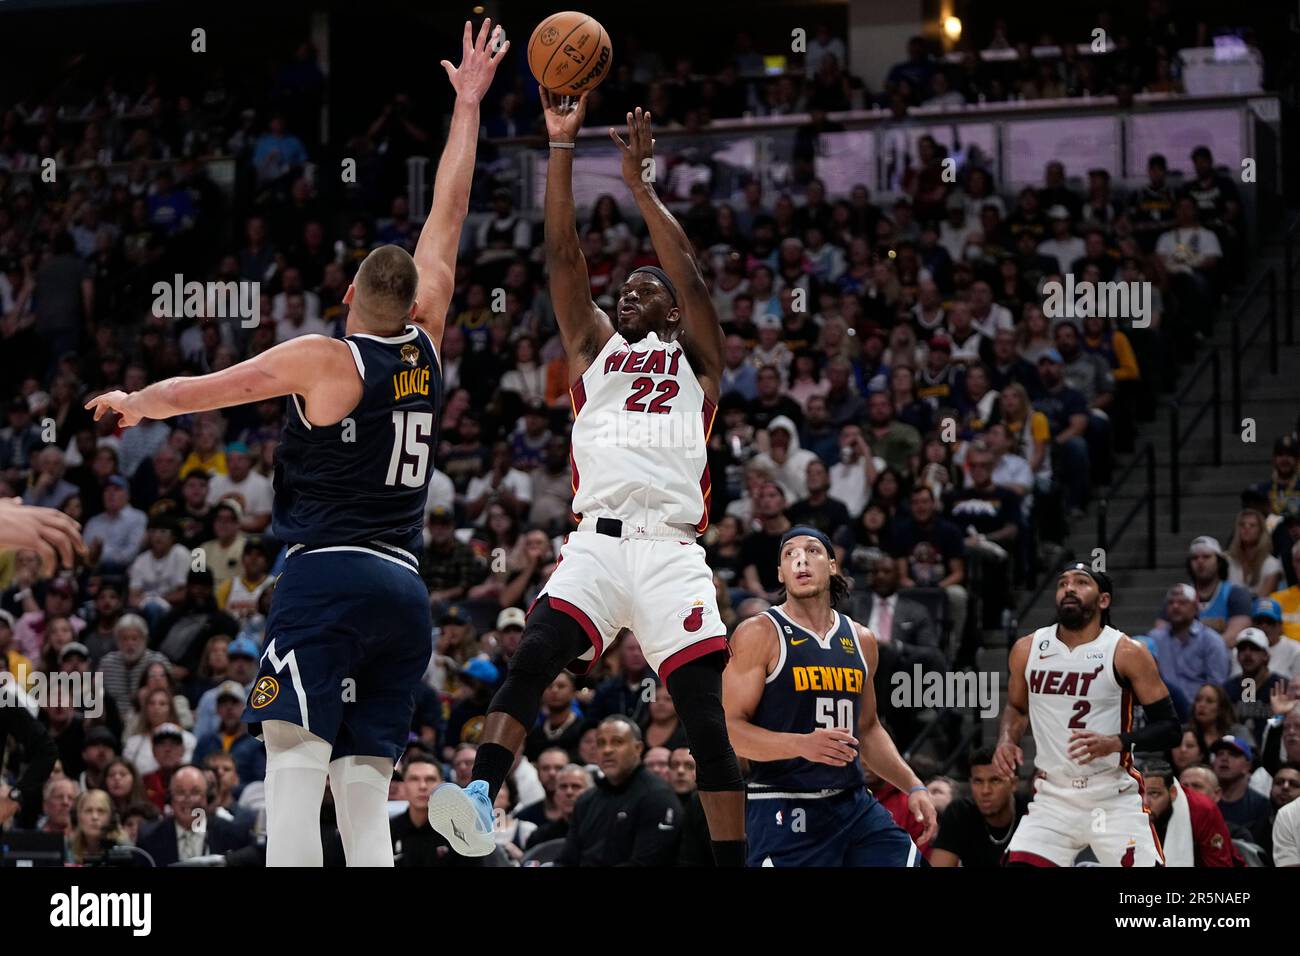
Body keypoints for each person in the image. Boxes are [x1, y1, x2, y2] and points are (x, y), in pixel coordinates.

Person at [85, 20, 509, 867]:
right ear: (418, 296)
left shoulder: (326, 359)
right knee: (362, 791)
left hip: (326, 577)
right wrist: (468, 106)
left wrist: (133, 400)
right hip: (405, 593)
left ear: (350, 290)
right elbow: (449, 209)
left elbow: (203, 391)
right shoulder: (428, 336)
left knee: (291, 765)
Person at [430, 100, 745, 866]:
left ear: (671, 309)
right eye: (623, 290)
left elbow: (695, 279)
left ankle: (733, 862)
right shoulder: (595, 349)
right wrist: (561, 145)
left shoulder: (698, 364)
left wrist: (643, 189)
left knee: (704, 718)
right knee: (533, 658)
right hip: (596, 545)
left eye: (645, 289)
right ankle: (480, 797)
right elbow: (563, 257)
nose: (627, 294)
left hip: (672, 553)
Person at [723, 526, 937, 866]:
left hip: (852, 805)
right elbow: (731, 730)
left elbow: (867, 730)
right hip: (784, 805)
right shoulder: (758, 632)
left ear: (833, 565)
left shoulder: (862, 639)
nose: (800, 560)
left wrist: (913, 785)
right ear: (780, 573)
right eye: (789, 554)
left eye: (812, 551)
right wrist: (800, 744)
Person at [995, 564, 1181, 866]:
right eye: (1062, 583)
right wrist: (1006, 739)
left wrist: (1117, 741)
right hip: (1053, 797)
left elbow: (1170, 728)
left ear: (1103, 600)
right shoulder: (1026, 649)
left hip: (1112, 795)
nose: (1069, 588)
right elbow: (1016, 707)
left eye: (1081, 582)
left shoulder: (1126, 652)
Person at [555, 716, 682, 866]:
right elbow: (566, 860)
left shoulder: (658, 797)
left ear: (638, 748)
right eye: (601, 743)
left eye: (617, 742)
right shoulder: (586, 800)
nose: (607, 750)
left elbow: (646, 863)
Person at [929, 746, 1029, 867]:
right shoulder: (960, 813)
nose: (985, 791)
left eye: (995, 780)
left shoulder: (1030, 812)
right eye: (978, 781)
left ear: (1013, 784)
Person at [135, 764, 252, 866]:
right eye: (180, 792)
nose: (187, 800)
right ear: (170, 797)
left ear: (207, 797)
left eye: (195, 792)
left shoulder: (234, 834)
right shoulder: (149, 836)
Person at [1139, 759, 1241, 867]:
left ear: (1173, 793)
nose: (1145, 802)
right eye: (1139, 793)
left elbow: (1219, 864)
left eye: (1154, 793)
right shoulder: (1128, 803)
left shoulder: (1202, 809)